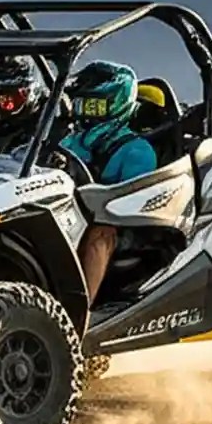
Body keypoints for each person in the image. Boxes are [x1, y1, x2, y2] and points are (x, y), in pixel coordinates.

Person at [60, 60, 157, 304]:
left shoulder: (137, 151)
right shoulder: (71, 141)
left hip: (120, 225)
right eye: (81, 105)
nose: (86, 113)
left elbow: (135, 206)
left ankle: (78, 317)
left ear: (116, 105)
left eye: (94, 106)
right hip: (68, 213)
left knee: (100, 233)